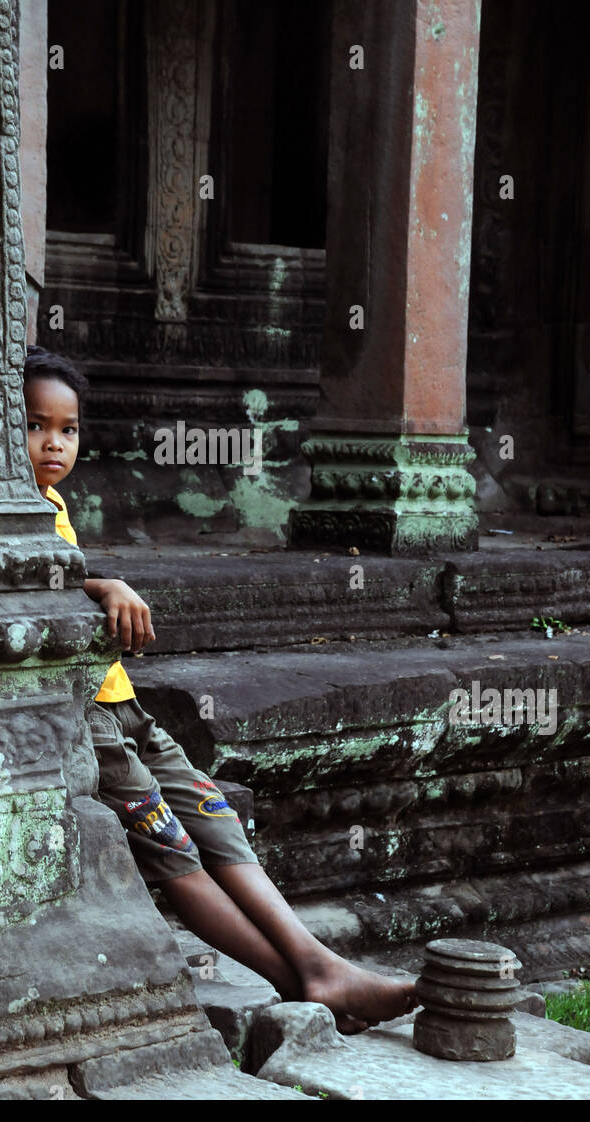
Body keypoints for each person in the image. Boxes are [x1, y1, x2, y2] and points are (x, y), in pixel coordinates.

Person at [24, 344, 418, 1032]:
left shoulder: (51, 499)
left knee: (216, 820)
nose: (54, 443)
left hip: (123, 704)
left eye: (69, 428)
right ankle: (310, 975)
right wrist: (104, 583)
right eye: (35, 425)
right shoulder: (3, 510)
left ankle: (319, 968)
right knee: (172, 849)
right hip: (83, 717)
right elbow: (19, 586)